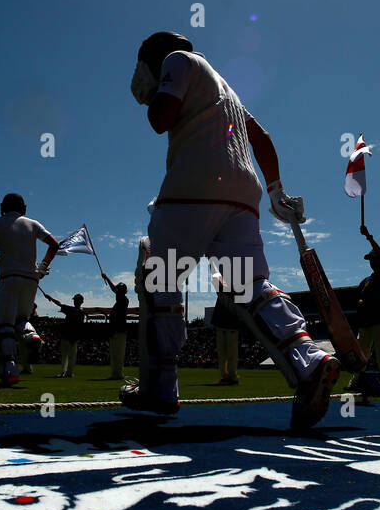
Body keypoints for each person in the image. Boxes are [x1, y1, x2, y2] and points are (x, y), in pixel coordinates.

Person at [125, 31, 339, 428]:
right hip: (243, 192)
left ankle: (160, 386)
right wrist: (275, 191)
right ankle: (309, 361)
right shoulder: (227, 89)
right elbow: (262, 137)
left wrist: (155, 96)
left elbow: (162, 119)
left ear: (153, 59)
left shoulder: (178, 60)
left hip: (195, 183)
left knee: (160, 277)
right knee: (249, 285)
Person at [0, 193, 59, 386]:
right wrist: (43, 266)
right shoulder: (33, 224)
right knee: (23, 320)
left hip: (8, 277)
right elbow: (54, 244)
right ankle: (33, 336)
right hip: (31, 279)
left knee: (4, 323)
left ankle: (10, 368)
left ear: (2, 207)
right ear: (24, 208)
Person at [349, 225, 380, 389]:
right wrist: (360, 303)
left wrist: (368, 236)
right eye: (370, 259)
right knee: (360, 355)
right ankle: (357, 381)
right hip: (365, 322)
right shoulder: (366, 280)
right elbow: (359, 297)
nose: (371, 262)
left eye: (372, 258)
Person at [45, 292, 86, 377]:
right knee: (70, 356)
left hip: (68, 336)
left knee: (65, 356)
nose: (75, 301)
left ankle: (66, 372)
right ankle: (68, 372)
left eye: (76, 300)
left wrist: (50, 298)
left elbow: (59, 304)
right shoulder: (82, 312)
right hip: (73, 337)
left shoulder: (72, 309)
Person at [102, 272, 131, 380]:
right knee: (114, 353)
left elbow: (115, 290)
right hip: (115, 330)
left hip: (119, 330)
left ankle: (118, 374)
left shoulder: (123, 299)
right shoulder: (120, 300)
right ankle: (115, 373)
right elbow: (115, 290)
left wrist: (107, 277)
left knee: (118, 353)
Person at [212, 296, 241, 385]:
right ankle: (226, 376)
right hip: (221, 320)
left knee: (231, 352)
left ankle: (231, 376)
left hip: (232, 321)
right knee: (222, 353)